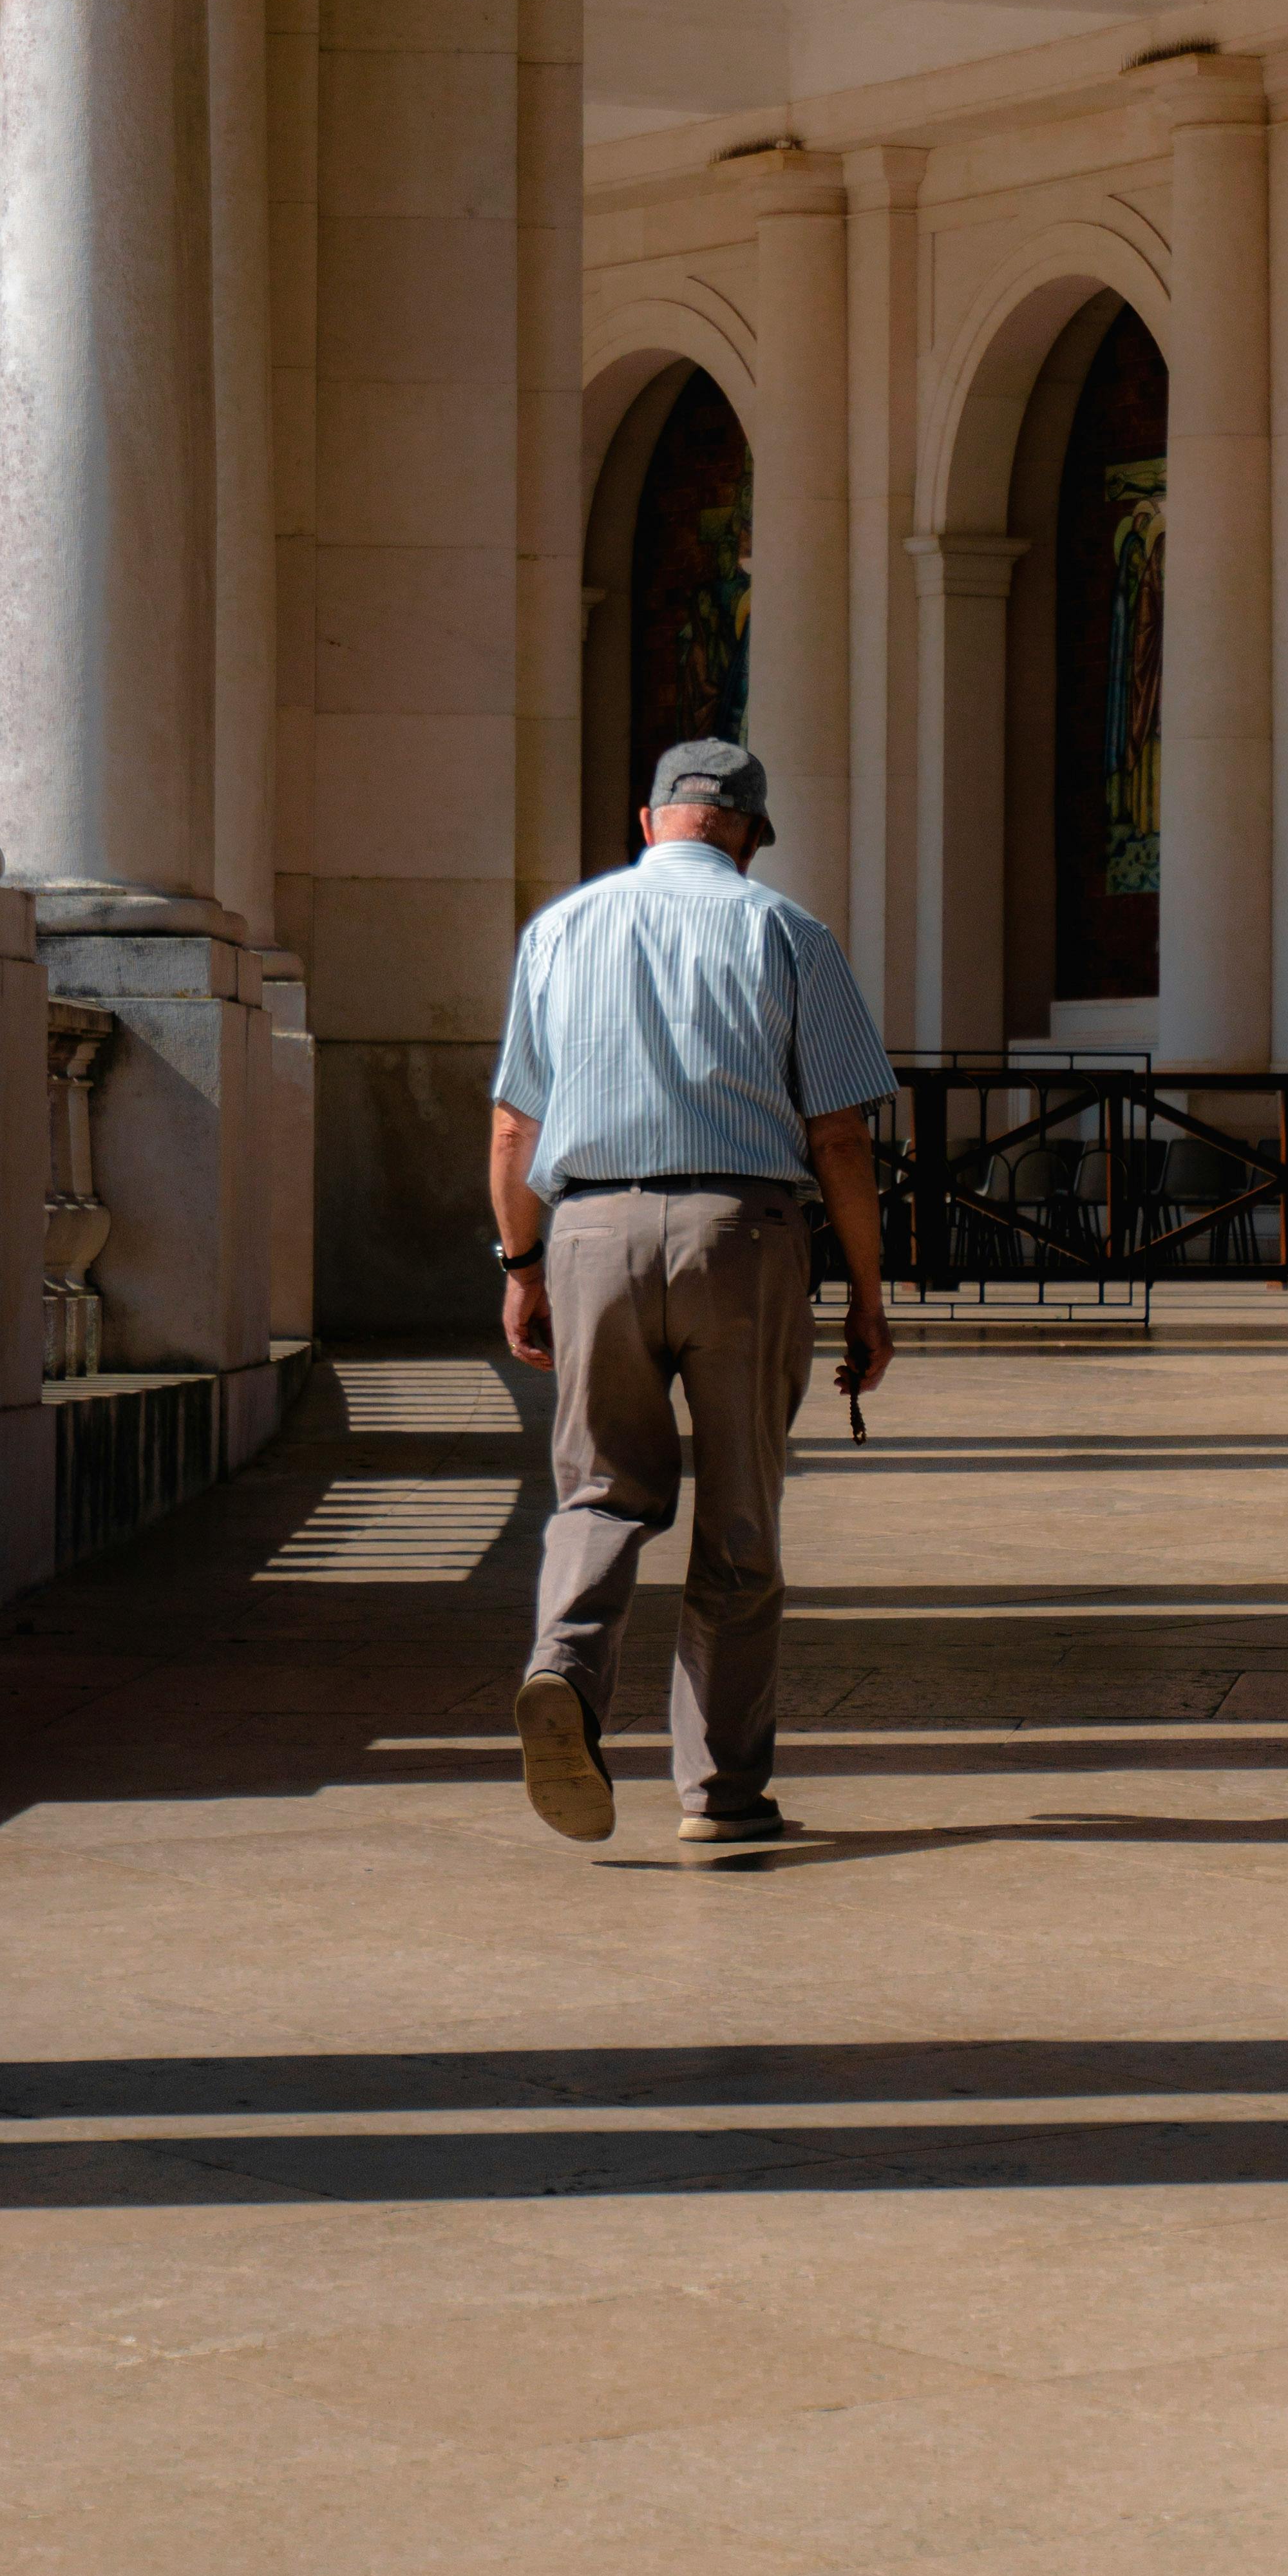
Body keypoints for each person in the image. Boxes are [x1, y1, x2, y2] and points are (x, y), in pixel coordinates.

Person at [488, 739, 898, 1849]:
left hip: (588, 1231)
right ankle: (721, 1794)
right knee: (740, 1516)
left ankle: (562, 1672)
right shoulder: (786, 931)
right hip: (743, 1235)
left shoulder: (560, 930)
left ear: (648, 815)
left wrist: (522, 1267)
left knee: (599, 1491)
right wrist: (867, 1295)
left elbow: (515, 1125)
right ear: (750, 833)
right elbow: (843, 1135)